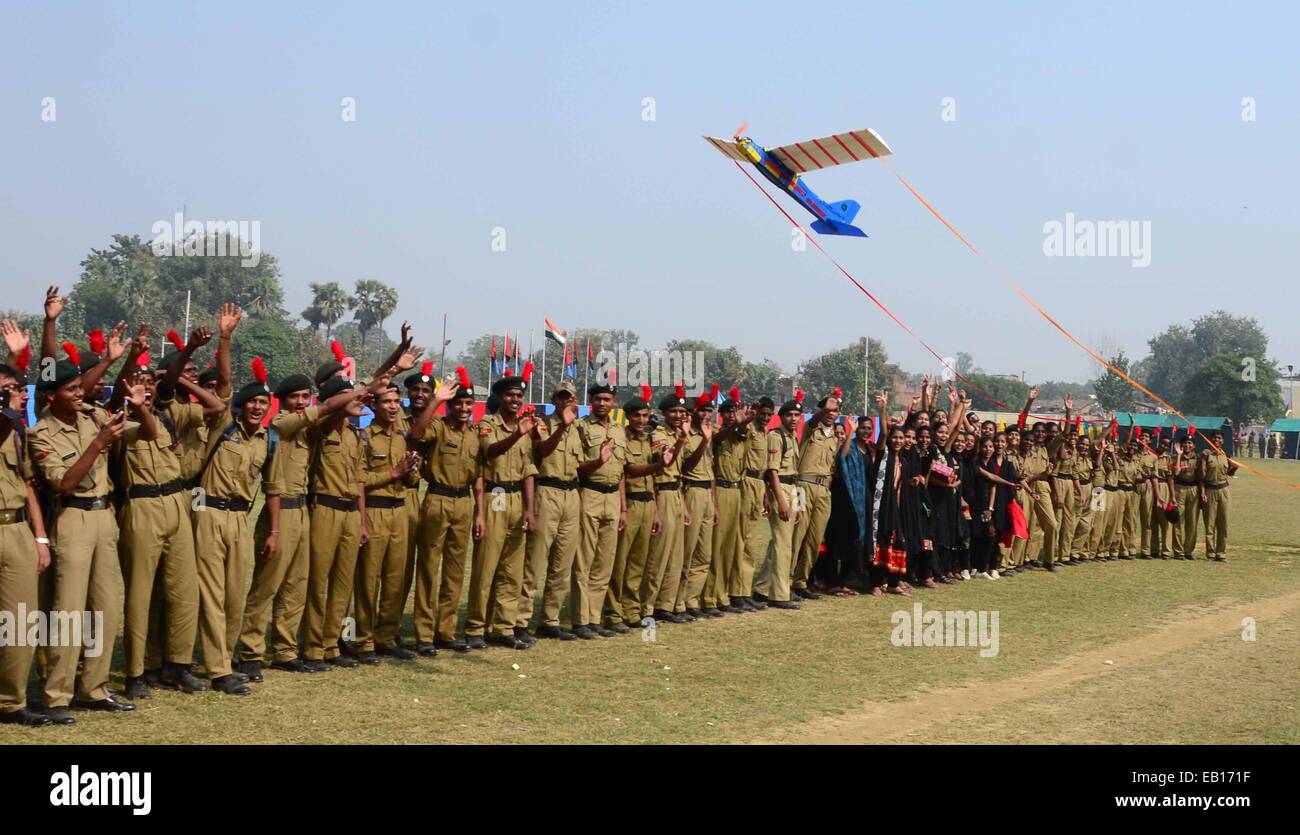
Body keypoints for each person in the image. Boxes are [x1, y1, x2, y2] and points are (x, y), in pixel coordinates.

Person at [236, 371, 372, 676]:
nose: (299, 402)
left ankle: (285, 650)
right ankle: (250, 653)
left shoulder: (306, 432)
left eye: (303, 397)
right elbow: (322, 411)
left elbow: (326, 421)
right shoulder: (280, 424)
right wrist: (272, 530)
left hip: (302, 511)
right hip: (279, 513)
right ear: (282, 402)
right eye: (293, 397)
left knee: (295, 586)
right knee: (266, 586)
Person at [28, 349, 136, 721]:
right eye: (71, 389)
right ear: (50, 395)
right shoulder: (40, 434)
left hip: (104, 516)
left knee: (106, 608)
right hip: (72, 518)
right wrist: (98, 444)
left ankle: (94, 688)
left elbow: (139, 430)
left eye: (80, 387)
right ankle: (57, 695)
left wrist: (129, 361)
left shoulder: (93, 416)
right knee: (69, 613)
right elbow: (64, 482)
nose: (80, 393)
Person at [112, 341, 211, 700]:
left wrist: (168, 388)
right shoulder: (117, 424)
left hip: (176, 501)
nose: (145, 391)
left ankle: (179, 665)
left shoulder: (170, 417)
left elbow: (214, 407)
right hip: (142, 507)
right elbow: (147, 431)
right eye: (136, 385)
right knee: (139, 595)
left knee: (184, 591)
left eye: (149, 386)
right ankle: (137, 672)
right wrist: (133, 400)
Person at [302, 375, 374, 670]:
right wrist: (345, 405)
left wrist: (362, 521)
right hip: (326, 509)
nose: (354, 402)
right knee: (319, 582)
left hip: (349, 513)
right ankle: (312, 646)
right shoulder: (323, 428)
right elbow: (328, 420)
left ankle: (332, 644)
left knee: (343, 585)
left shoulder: (354, 434)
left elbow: (358, 481)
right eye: (347, 397)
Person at [408, 369, 478, 655]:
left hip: (464, 502)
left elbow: (481, 473)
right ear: (450, 405)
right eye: (458, 404)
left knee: (455, 571)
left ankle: (446, 631)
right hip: (437, 498)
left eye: (467, 404)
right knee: (428, 569)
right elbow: (416, 432)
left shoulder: (475, 434)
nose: (463, 409)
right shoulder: (439, 426)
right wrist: (435, 401)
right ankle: (424, 634)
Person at [468, 369, 537, 650]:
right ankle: (475, 627)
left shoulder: (526, 427)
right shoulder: (487, 423)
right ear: (500, 397)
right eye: (510, 395)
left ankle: (504, 626)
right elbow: (490, 452)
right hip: (495, 494)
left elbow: (529, 470)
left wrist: (530, 510)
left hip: (517, 498)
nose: (515, 400)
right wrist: (516, 433)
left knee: (512, 568)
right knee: (487, 565)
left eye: (519, 395)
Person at [0, 368, 54, 726]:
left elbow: (29, 485)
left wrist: (40, 538)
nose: (17, 395)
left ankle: (11, 701)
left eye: (18, 389)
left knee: (20, 622)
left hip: (17, 528)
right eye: (10, 390)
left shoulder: (19, 431)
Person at [354, 382, 421, 664]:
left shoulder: (403, 437)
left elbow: (412, 480)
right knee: (369, 580)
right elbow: (359, 481)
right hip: (376, 510)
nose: (393, 406)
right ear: (373, 406)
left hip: (400, 510)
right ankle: (363, 640)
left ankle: (386, 636)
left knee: (396, 578)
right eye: (386, 402)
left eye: (396, 401)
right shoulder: (365, 438)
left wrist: (411, 470)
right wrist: (394, 473)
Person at [524, 382, 584, 641]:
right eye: (561, 397)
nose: (565, 401)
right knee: (535, 561)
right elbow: (544, 450)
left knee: (562, 563)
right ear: (554, 400)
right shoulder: (544, 424)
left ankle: (550, 620)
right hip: (547, 491)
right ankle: (519, 620)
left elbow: (580, 465)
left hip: (572, 494)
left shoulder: (578, 430)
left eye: (569, 397)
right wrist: (563, 426)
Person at [603, 386, 661, 629]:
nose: (641, 420)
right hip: (631, 503)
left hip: (648, 503)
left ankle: (631, 610)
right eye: (637, 415)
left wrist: (656, 510)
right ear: (628, 417)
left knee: (638, 562)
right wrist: (624, 509)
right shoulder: (622, 439)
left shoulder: (650, 440)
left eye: (645, 416)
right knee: (620, 562)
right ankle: (613, 614)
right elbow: (627, 473)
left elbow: (654, 482)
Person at [573, 382, 628, 634]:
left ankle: (595, 618)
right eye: (598, 399)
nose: (602, 403)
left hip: (613, 498)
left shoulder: (619, 430)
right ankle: (581, 619)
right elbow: (576, 467)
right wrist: (598, 461)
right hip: (590, 493)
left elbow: (622, 472)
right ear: (591, 401)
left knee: (604, 561)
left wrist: (624, 508)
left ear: (614, 402)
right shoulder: (581, 427)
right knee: (584, 559)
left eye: (607, 399)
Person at [640, 386, 691, 623]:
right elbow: (665, 462)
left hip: (677, 493)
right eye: (674, 411)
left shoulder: (679, 433)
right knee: (658, 555)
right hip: (661, 493)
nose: (679, 415)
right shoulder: (658, 434)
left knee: (675, 555)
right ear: (664, 413)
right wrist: (681, 439)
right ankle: (647, 606)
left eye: (682, 411)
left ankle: (666, 605)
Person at [753, 392, 804, 609]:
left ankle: (762, 587)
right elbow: (772, 471)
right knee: (783, 544)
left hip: (792, 487)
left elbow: (797, 473)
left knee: (780, 543)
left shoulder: (793, 437)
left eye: (797, 415)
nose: (794, 418)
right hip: (780, 488)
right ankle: (780, 594)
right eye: (790, 415)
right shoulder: (777, 436)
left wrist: (799, 504)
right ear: (781, 417)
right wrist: (781, 501)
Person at [704, 390, 751, 614]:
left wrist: (744, 423)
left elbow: (743, 433)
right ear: (721, 415)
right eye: (728, 412)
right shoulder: (717, 432)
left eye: (735, 411)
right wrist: (738, 424)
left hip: (737, 490)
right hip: (720, 490)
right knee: (717, 547)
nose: (732, 415)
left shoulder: (742, 434)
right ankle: (710, 597)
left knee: (733, 547)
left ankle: (725, 596)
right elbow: (718, 439)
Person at [792, 390, 841, 599]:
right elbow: (813, 422)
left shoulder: (834, 438)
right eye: (828, 409)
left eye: (836, 410)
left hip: (823, 490)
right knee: (796, 536)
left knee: (815, 539)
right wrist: (824, 409)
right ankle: (783, 581)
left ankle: (800, 582)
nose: (832, 413)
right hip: (802, 486)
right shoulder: (811, 429)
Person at [674, 391, 717, 620]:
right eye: (703, 410)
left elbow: (711, 473)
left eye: (709, 410)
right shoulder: (687, 434)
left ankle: (692, 599)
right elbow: (688, 466)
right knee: (687, 552)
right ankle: (678, 601)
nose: (707, 414)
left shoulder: (709, 432)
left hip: (707, 493)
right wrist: (704, 441)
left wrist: (715, 505)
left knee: (704, 552)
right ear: (694, 412)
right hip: (691, 490)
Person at [735, 396, 775, 611]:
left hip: (759, 483)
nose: (765, 418)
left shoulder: (766, 434)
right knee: (742, 539)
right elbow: (740, 434)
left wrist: (766, 495)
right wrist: (745, 421)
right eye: (763, 414)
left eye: (769, 415)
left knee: (751, 541)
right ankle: (737, 591)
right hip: (746, 482)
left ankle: (743, 590)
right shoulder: (750, 428)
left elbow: (765, 468)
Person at [1198, 430, 1237, 561]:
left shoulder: (1226, 455)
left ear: (1223, 441)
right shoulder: (1205, 455)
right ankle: (1210, 552)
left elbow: (1229, 473)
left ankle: (1221, 552)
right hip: (1209, 490)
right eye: (1214, 438)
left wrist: (1234, 467)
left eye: (1219, 438)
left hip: (1223, 490)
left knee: (1223, 523)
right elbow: (1201, 477)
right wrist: (1202, 493)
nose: (1217, 440)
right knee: (1210, 524)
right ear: (1210, 440)